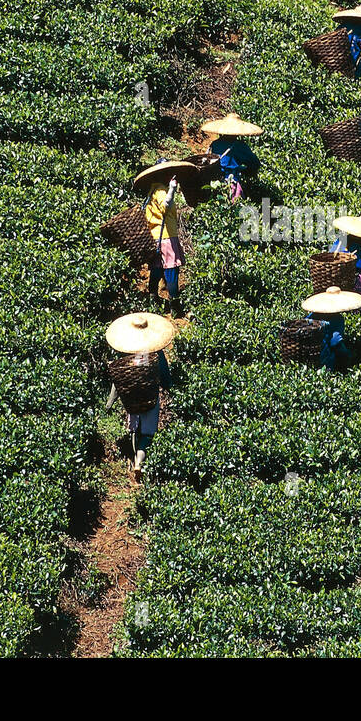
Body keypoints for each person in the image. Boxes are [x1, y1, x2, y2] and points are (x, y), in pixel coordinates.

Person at [105, 313, 177, 484]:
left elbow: (118, 379)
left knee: (135, 429)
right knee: (148, 433)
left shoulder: (126, 355)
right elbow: (165, 378)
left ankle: (134, 454)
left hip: (132, 398)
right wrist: (170, 388)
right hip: (150, 396)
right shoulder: (156, 354)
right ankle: (140, 460)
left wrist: (110, 402)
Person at [135, 160, 198, 312]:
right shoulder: (162, 191)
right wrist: (172, 189)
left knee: (157, 269)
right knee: (171, 269)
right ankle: (175, 304)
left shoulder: (153, 191)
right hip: (166, 237)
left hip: (157, 237)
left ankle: (153, 299)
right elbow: (166, 205)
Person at [301, 286, 361, 371]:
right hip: (325, 361)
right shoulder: (337, 319)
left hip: (306, 356)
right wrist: (348, 356)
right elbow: (336, 342)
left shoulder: (311, 316)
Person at [201, 114, 263, 202]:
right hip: (230, 183)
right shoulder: (239, 146)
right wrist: (244, 170)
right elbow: (255, 163)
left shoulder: (214, 143)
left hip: (214, 181)